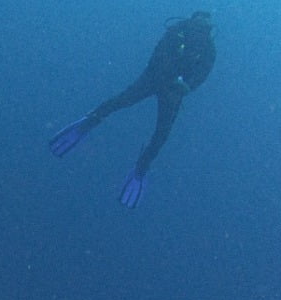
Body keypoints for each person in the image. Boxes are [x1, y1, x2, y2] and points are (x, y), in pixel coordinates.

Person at [49, 11, 216, 208]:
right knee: (124, 104)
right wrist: (172, 79)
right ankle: (92, 121)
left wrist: (186, 87)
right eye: (199, 22)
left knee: (160, 133)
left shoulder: (207, 47)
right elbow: (159, 54)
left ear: (208, 28)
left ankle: (140, 166)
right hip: (155, 79)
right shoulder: (177, 31)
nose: (200, 27)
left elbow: (203, 72)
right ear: (192, 20)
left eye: (204, 25)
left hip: (173, 91)